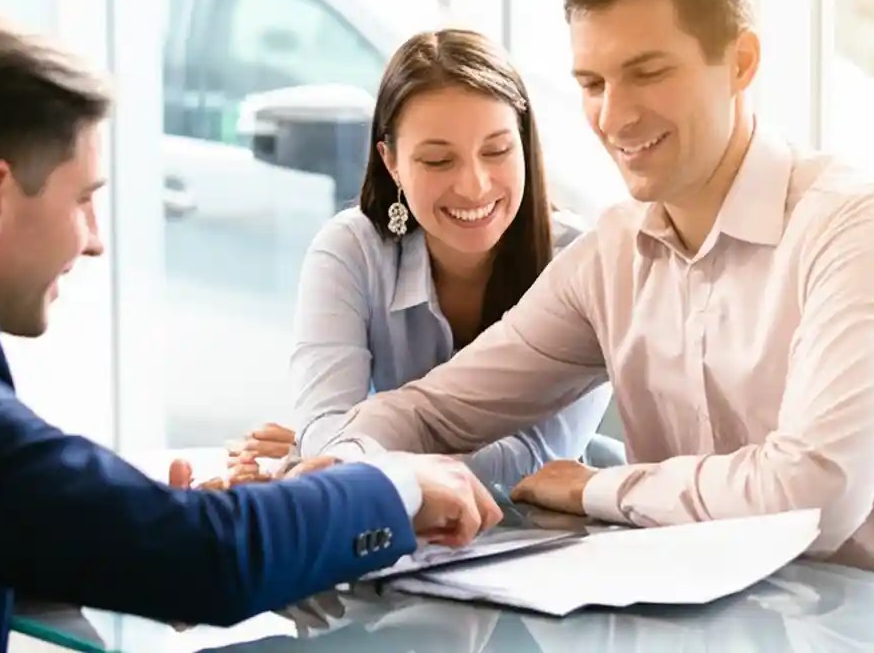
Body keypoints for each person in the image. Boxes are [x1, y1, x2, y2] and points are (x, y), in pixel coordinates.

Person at [306, 0, 874, 598]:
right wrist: (328, 480)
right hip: (737, 621)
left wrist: (600, 488)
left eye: (647, 73)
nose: (615, 117)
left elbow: (813, 498)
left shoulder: (860, 226)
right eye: (592, 83)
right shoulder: (610, 258)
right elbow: (432, 411)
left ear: (740, 63)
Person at [0, 1, 500, 652]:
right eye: (84, 198)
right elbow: (207, 563)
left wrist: (130, 526)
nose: (94, 239)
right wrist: (392, 483)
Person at [222, 29, 615, 490]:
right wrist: (340, 452)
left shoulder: (579, 261)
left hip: (541, 533)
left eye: (497, 151)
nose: (474, 186)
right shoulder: (351, 251)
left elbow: (536, 460)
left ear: (525, 144)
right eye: (437, 161)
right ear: (391, 163)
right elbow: (325, 427)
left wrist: (356, 457)